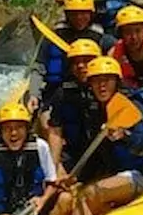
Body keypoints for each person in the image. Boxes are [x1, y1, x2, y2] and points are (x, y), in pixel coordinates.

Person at [41, 56, 143, 215]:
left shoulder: (132, 104)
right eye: (96, 81)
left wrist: (125, 136)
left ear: (116, 82)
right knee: (78, 196)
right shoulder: (98, 110)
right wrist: (73, 176)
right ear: (90, 85)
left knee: (93, 193)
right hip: (117, 172)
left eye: (107, 80)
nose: (101, 86)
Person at [30, 0, 111, 110]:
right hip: (57, 92)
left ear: (91, 14)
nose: (79, 18)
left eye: (83, 13)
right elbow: (38, 67)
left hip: (93, 94)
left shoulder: (102, 39)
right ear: (67, 15)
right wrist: (34, 94)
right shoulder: (54, 37)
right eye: (74, 14)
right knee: (47, 125)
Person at [42, 38, 102, 173]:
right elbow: (55, 132)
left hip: (104, 155)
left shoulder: (108, 90)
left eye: (86, 60)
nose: (81, 66)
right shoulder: (63, 93)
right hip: (74, 155)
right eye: (76, 62)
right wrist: (55, 167)